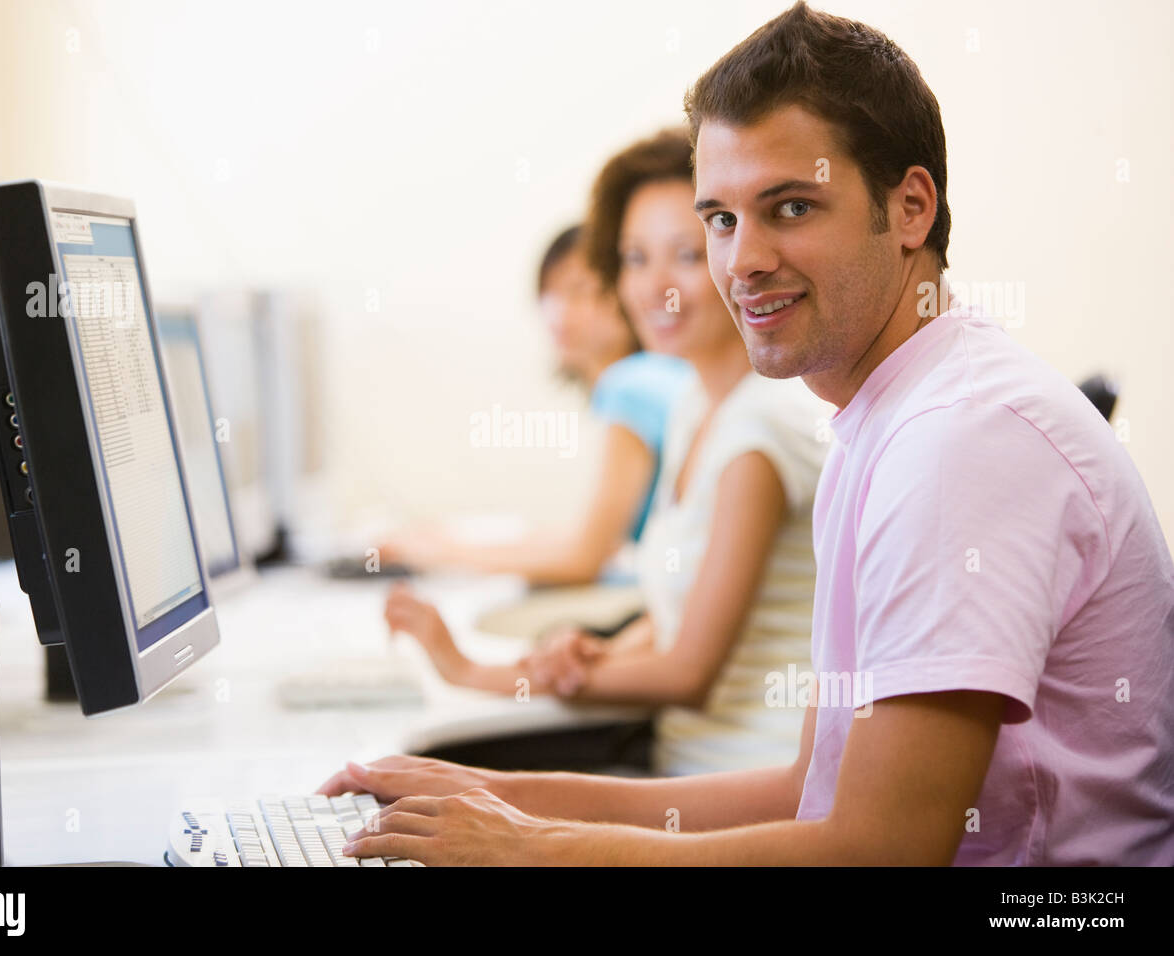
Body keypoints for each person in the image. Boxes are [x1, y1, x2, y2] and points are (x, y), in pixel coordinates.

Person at [327, 1, 1174, 865]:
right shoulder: (880, 421)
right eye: (722, 219)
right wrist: (489, 795)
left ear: (911, 207)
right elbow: (807, 792)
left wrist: (535, 849)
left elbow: (881, 851)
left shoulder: (955, 443)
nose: (742, 260)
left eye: (792, 207)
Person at [385, 127, 831, 776]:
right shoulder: (695, 406)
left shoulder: (759, 431)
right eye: (634, 259)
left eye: (684, 253)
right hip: (678, 769)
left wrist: (474, 671)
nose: (655, 288)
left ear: (734, 254)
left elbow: (688, 673)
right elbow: (677, 619)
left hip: (735, 794)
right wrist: (594, 655)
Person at [381, 225, 690, 585]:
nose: (559, 312)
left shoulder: (631, 387)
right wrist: (451, 541)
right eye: (550, 293)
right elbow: (594, 540)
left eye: (580, 291)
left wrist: (437, 553)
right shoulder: (656, 377)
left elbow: (582, 559)